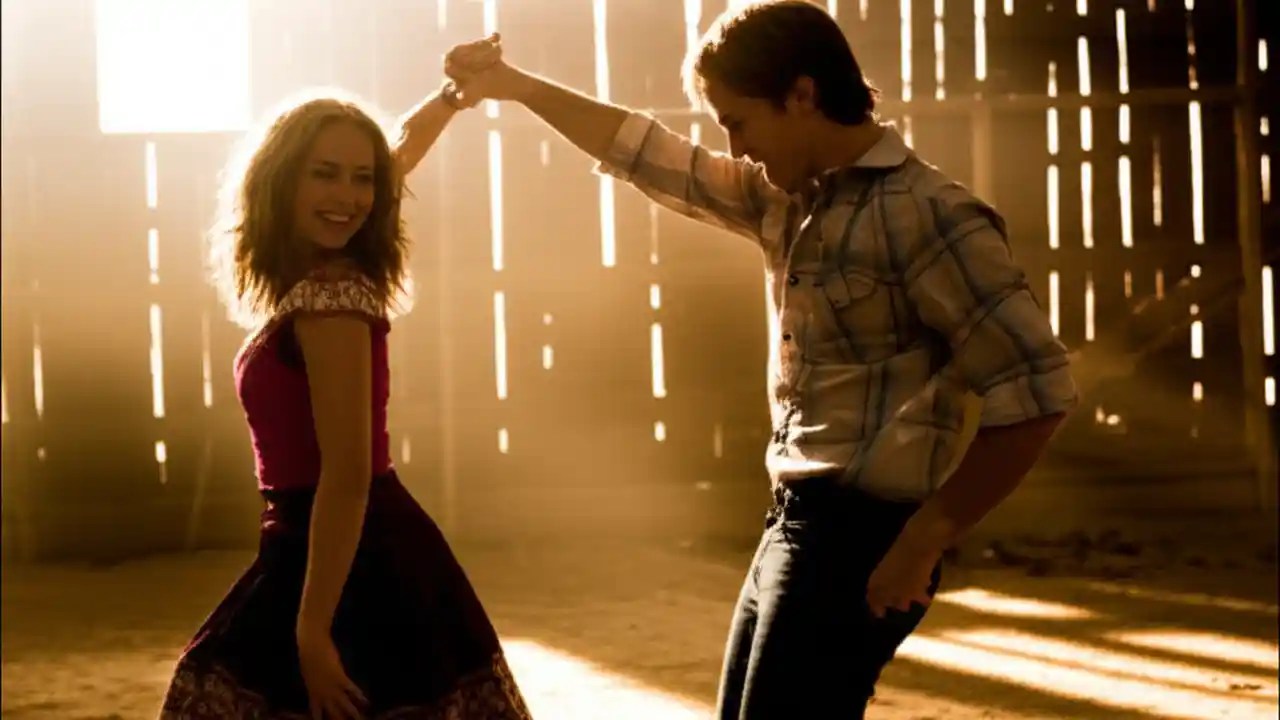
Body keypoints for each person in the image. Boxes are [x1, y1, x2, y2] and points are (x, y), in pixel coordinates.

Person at [444, 2, 1077, 717]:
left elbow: (1039, 390)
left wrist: (925, 540)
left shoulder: (930, 215)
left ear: (802, 95)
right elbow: (648, 154)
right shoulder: (785, 201)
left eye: (738, 122)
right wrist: (518, 86)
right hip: (794, 521)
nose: (735, 147)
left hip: (864, 535)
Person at [158, 71, 534, 719]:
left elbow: (348, 475)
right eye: (325, 173)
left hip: (352, 557)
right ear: (281, 180)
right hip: (319, 546)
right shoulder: (314, 280)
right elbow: (399, 152)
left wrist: (311, 631)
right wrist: (449, 97)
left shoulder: (333, 300)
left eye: (363, 180)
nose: (350, 196)